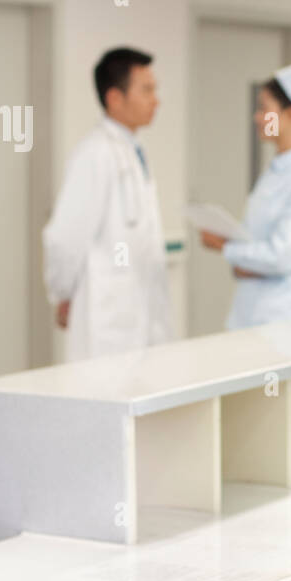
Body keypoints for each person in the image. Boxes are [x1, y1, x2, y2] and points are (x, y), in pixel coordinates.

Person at [43, 47, 172, 362]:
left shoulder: (133, 150)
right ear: (115, 97)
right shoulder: (95, 153)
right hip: (107, 316)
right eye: (147, 90)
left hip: (140, 311)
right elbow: (66, 235)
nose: (156, 100)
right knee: (106, 400)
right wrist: (62, 292)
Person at [199, 61, 291, 330]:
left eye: (264, 108)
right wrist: (239, 255)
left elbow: (281, 257)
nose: (257, 116)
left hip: (289, 318)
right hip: (253, 312)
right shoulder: (277, 169)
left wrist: (227, 248)